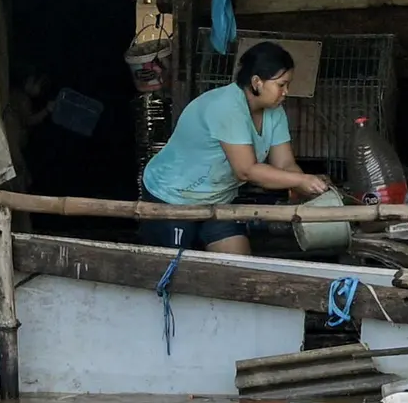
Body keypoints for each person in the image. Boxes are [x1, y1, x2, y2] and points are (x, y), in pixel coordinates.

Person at [139, 41, 328, 254]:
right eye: (281, 85)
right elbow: (246, 170)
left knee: (238, 267)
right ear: (257, 82)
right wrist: (302, 180)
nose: (286, 92)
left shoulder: (275, 112)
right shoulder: (226, 106)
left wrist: (302, 189)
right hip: (171, 196)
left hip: (218, 200)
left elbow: (285, 163)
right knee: (176, 273)